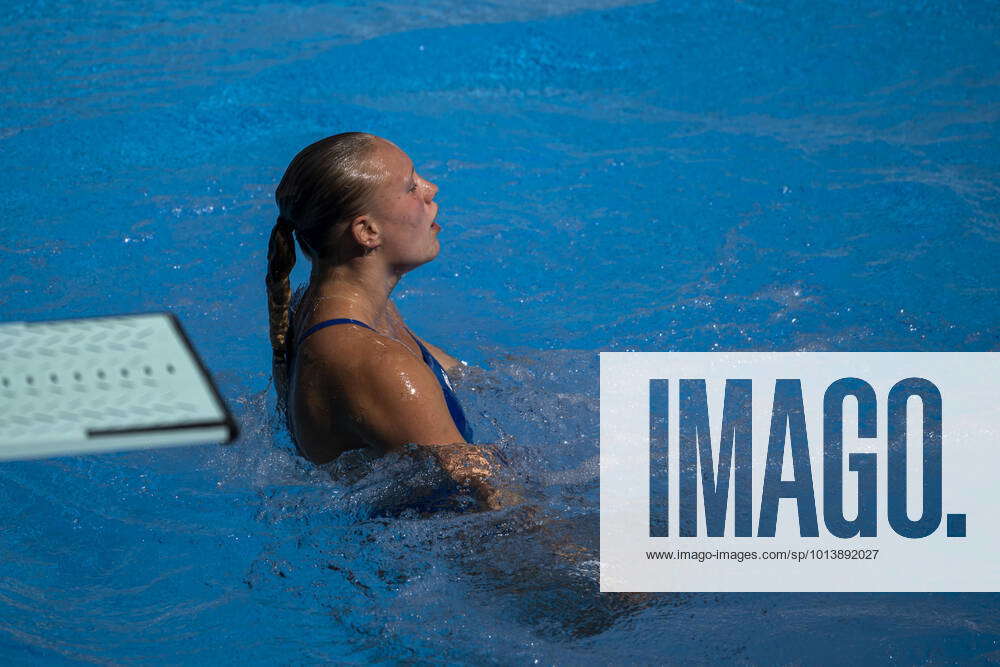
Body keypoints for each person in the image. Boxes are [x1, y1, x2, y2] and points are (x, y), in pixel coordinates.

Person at [265, 132, 503, 508]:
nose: (431, 189)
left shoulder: (342, 309)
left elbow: (458, 375)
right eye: (411, 187)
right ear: (367, 231)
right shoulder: (377, 364)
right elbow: (494, 505)